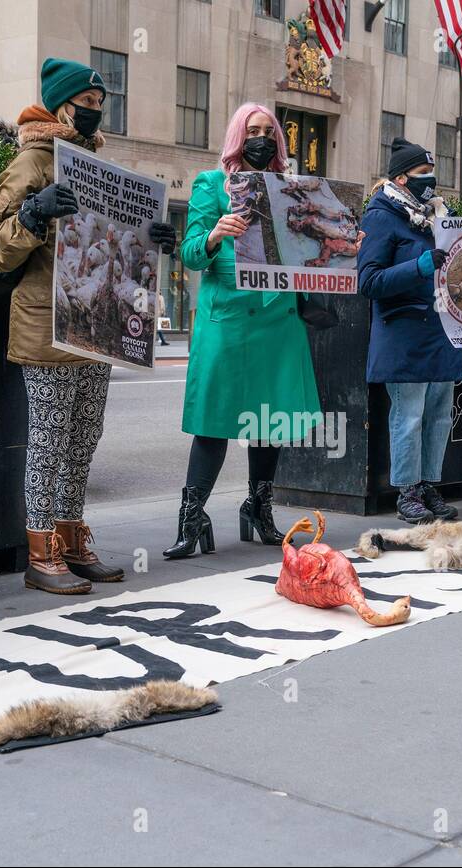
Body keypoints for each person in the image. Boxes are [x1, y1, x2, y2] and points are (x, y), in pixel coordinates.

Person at [0, 58, 176, 593]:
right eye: (85, 103)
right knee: (49, 440)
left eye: (98, 104)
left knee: (84, 439)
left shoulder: (93, 164)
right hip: (46, 326)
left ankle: (70, 539)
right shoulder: (34, 161)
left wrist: (153, 242)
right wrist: (32, 214)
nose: (94, 111)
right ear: (61, 103)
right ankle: (42, 553)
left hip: (95, 332)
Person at [164, 102, 337, 558]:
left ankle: (258, 510)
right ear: (238, 138)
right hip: (229, 321)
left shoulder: (295, 189)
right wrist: (216, 233)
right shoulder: (210, 184)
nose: (261, 139)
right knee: (213, 422)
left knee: (269, 423)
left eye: (269, 132)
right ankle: (192, 517)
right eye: (252, 131)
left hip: (278, 322)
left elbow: (309, 251)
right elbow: (190, 255)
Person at [357, 137, 462, 523]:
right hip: (404, 332)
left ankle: (427, 486)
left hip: (441, 329)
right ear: (401, 178)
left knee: (438, 416)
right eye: (423, 173)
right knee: (409, 416)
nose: (431, 180)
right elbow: (369, 281)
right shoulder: (380, 216)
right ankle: (407, 491)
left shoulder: (440, 216)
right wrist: (420, 266)